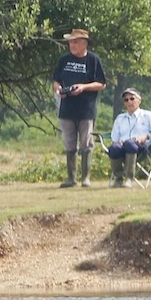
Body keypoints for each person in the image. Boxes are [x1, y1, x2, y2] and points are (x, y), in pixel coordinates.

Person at [51, 28, 107, 187]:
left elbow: (101, 84)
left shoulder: (93, 60)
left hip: (86, 109)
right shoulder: (63, 60)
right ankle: (71, 178)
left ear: (84, 43)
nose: (72, 44)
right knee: (69, 143)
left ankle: (86, 178)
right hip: (66, 109)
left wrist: (83, 87)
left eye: (75, 42)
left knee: (86, 143)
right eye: (70, 42)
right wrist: (58, 90)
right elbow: (56, 80)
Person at [106, 88, 151, 187]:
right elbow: (114, 139)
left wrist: (146, 136)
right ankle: (119, 178)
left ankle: (129, 179)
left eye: (132, 98)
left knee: (130, 144)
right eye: (126, 100)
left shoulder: (148, 116)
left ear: (139, 100)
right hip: (123, 147)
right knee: (114, 148)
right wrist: (118, 142)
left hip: (141, 147)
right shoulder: (120, 118)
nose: (129, 101)